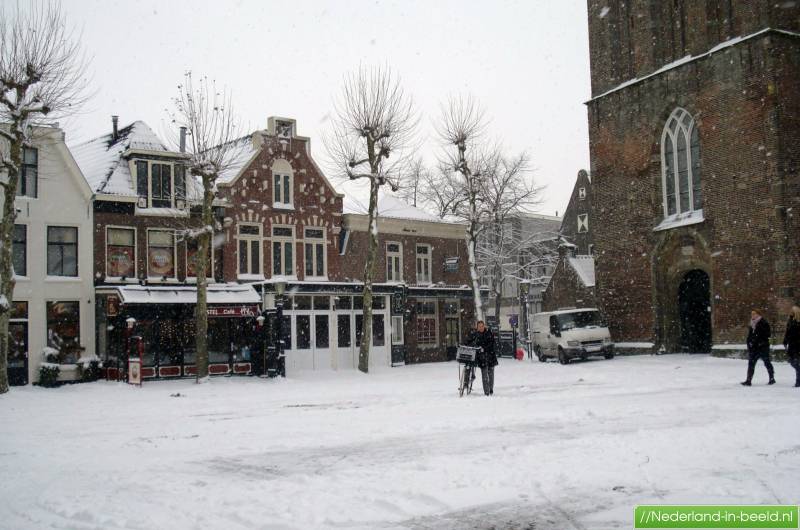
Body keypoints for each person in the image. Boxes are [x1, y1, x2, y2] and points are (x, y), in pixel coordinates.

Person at [742, 309, 775, 386]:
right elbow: (750, 335)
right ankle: (748, 380)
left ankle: (772, 378)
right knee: (751, 364)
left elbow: (767, 335)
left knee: (767, 362)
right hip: (753, 348)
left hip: (762, 347)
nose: (752, 315)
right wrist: (749, 343)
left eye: (754, 314)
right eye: (752, 314)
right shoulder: (752, 323)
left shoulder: (763, 323)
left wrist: (761, 343)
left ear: (758, 314)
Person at [469, 320, 498, 396]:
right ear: (477, 327)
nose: (481, 328)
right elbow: (469, 341)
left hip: (490, 356)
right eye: (479, 326)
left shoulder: (489, 333)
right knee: (484, 375)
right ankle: (487, 392)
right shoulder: (475, 334)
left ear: (484, 326)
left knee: (491, 374)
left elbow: (492, 343)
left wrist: (484, 348)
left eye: (482, 326)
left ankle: (491, 389)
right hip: (482, 357)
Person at [783, 304, 800, 388]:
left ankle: (798, 381)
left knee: (796, 362)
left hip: (797, 345)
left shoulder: (798, 321)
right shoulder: (790, 320)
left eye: (793, 311)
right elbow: (787, 331)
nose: (791, 312)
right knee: (792, 361)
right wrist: (785, 341)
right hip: (792, 344)